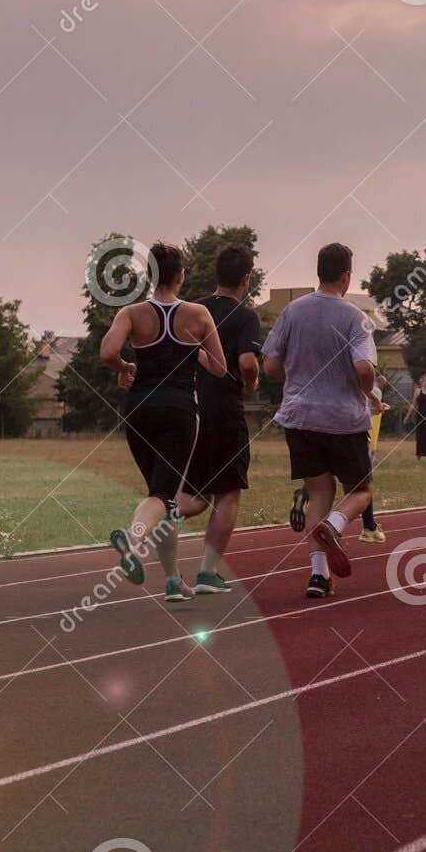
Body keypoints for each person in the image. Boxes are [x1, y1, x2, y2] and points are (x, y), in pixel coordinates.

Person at [103, 242, 228, 602]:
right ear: (181, 275)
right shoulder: (199, 314)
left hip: (139, 408)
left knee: (163, 496)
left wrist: (125, 367)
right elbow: (220, 368)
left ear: (150, 274)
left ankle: (173, 580)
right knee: (162, 494)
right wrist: (194, 349)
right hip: (178, 410)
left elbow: (108, 352)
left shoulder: (132, 312)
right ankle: (134, 540)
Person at [263, 243, 377, 600]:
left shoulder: (293, 311)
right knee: (360, 491)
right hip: (343, 419)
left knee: (318, 493)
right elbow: (364, 368)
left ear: (319, 271)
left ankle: (318, 575)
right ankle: (335, 524)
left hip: (300, 418)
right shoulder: (355, 317)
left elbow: (270, 364)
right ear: (346, 276)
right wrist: (369, 393)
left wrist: (297, 381)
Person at [190, 245, 262, 594]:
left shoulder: (192, 310)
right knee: (227, 492)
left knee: (193, 494)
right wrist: (251, 382)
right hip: (223, 410)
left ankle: (147, 523)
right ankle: (207, 573)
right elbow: (247, 362)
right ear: (246, 278)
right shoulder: (245, 317)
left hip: (189, 408)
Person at [360, 378, 389, 544]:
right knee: (364, 485)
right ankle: (368, 526)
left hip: (318, 426)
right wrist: (377, 404)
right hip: (353, 431)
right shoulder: (371, 389)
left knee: (322, 488)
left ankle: (306, 494)